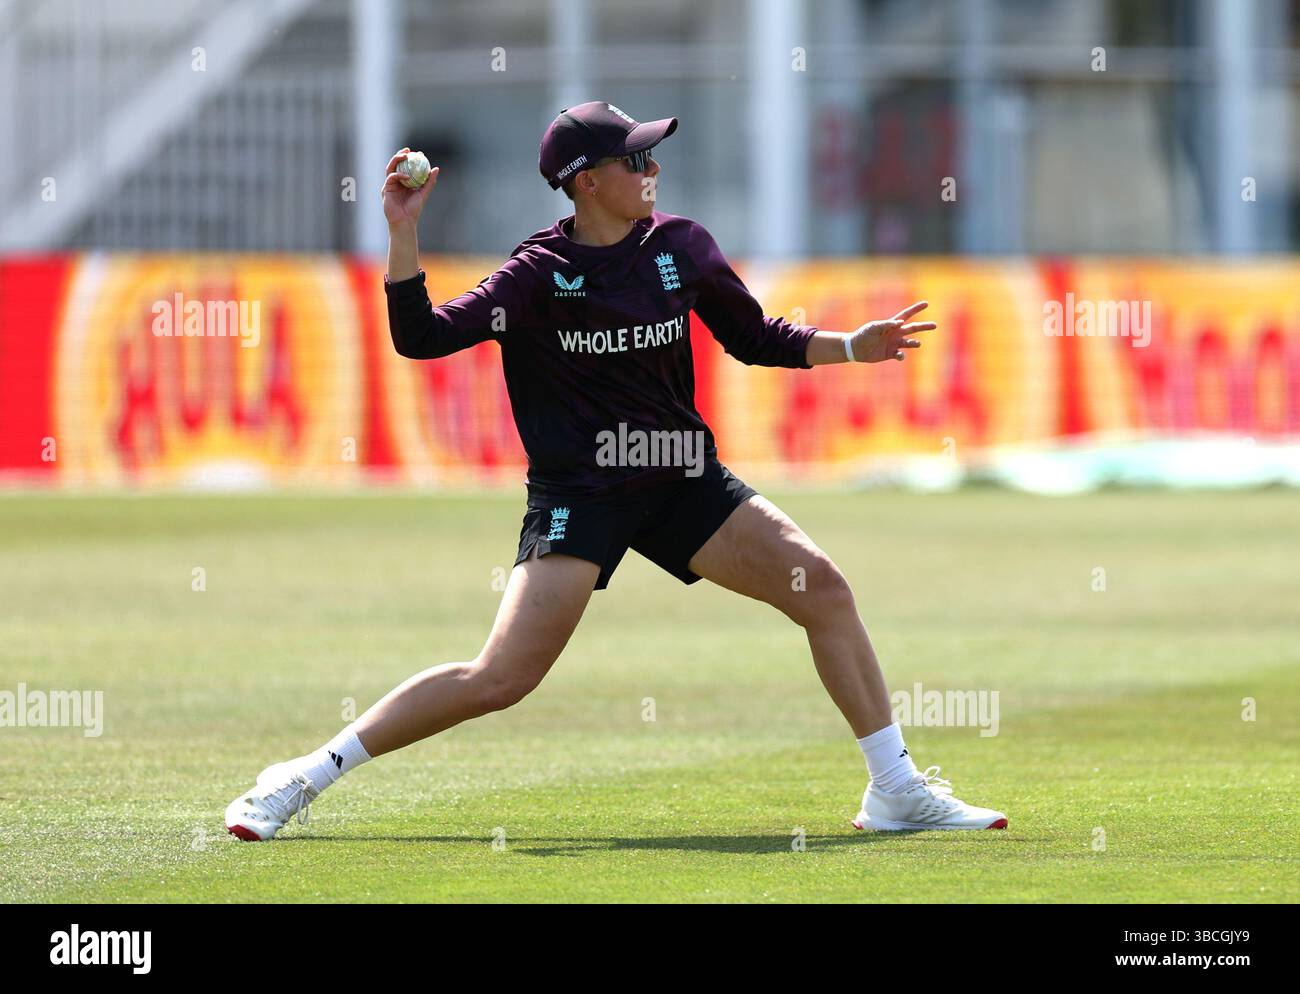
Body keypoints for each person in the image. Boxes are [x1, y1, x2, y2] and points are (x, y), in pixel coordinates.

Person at [225, 101, 1007, 841]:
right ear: (586, 180)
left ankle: (895, 788)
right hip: (581, 497)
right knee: (500, 677)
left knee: (823, 588)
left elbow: (752, 336)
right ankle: (303, 776)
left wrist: (848, 346)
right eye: (635, 158)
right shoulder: (535, 275)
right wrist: (404, 233)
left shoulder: (683, 247)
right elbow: (421, 338)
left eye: (653, 154)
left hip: (679, 478)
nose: (652, 167)